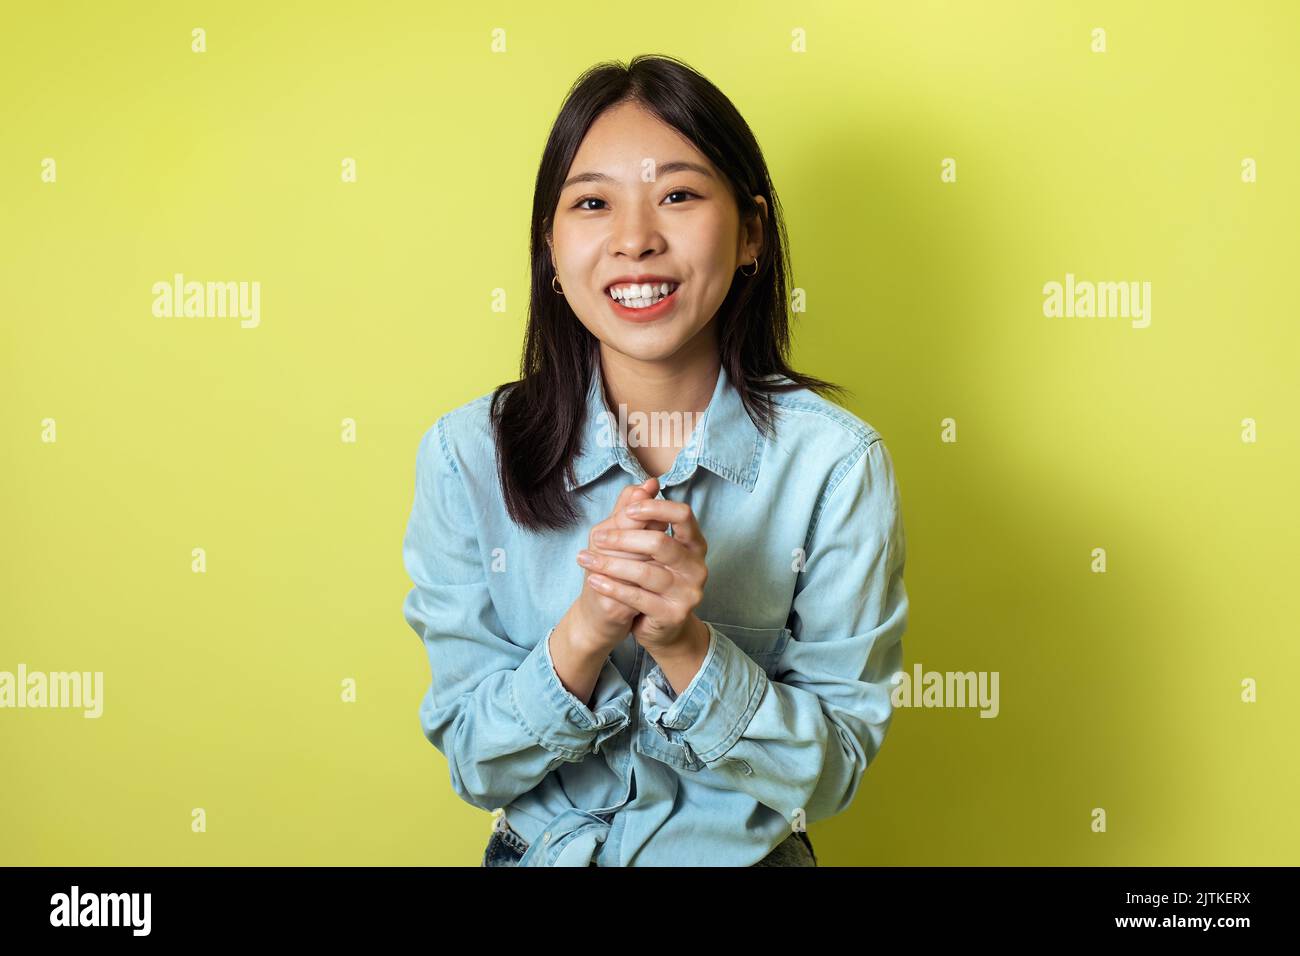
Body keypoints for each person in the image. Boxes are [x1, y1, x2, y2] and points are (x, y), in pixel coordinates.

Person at [402, 54, 908, 867]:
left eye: (677, 195)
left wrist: (684, 646)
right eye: (593, 203)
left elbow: (831, 774)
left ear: (750, 232)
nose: (635, 240)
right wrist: (587, 629)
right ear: (551, 247)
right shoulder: (466, 456)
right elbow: (475, 759)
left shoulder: (836, 465)